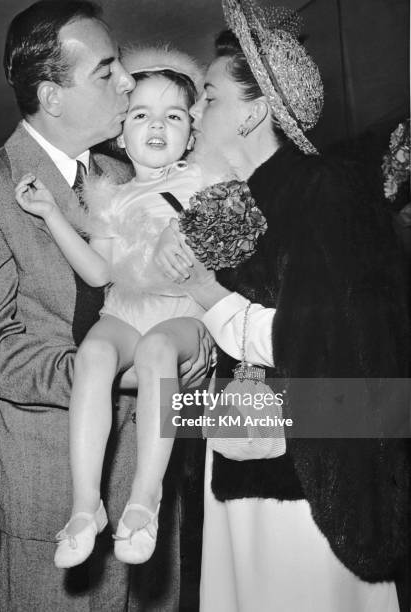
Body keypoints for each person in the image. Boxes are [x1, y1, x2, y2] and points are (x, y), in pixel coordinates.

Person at [0, 2, 211, 610]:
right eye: (107, 70)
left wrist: (198, 351)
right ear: (52, 97)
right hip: (54, 494)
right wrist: (111, 371)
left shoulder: (135, 168)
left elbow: (199, 289)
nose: (128, 82)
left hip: (152, 484)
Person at [155, 0, 410, 610]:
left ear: (255, 113)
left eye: (209, 96)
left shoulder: (325, 189)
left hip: (308, 498)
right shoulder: (238, 200)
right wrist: (166, 401)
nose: (194, 111)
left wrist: (210, 297)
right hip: (243, 473)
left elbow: (343, 345)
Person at [14, 47, 211, 570]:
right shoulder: (112, 197)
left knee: (156, 349)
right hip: (124, 309)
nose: (156, 125)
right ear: (120, 135)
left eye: (173, 116)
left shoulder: (203, 184)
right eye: (140, 114)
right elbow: (99, 274)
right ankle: (86, 507)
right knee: (95, 353)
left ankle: (145, 500)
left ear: (192, 135)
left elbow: (229, 246)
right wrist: (53, 212)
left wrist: (184, 226)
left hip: (180, 312)